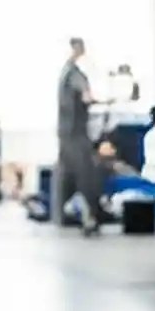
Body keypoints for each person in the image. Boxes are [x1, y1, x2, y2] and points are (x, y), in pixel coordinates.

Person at [56, 37, 101, 236]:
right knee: (86, 175)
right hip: (76, 133)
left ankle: (63, 214)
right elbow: (86, 96)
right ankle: (90, 217)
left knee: (67, 175)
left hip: (65, 132)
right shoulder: (75, 75)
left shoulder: (64, 73)